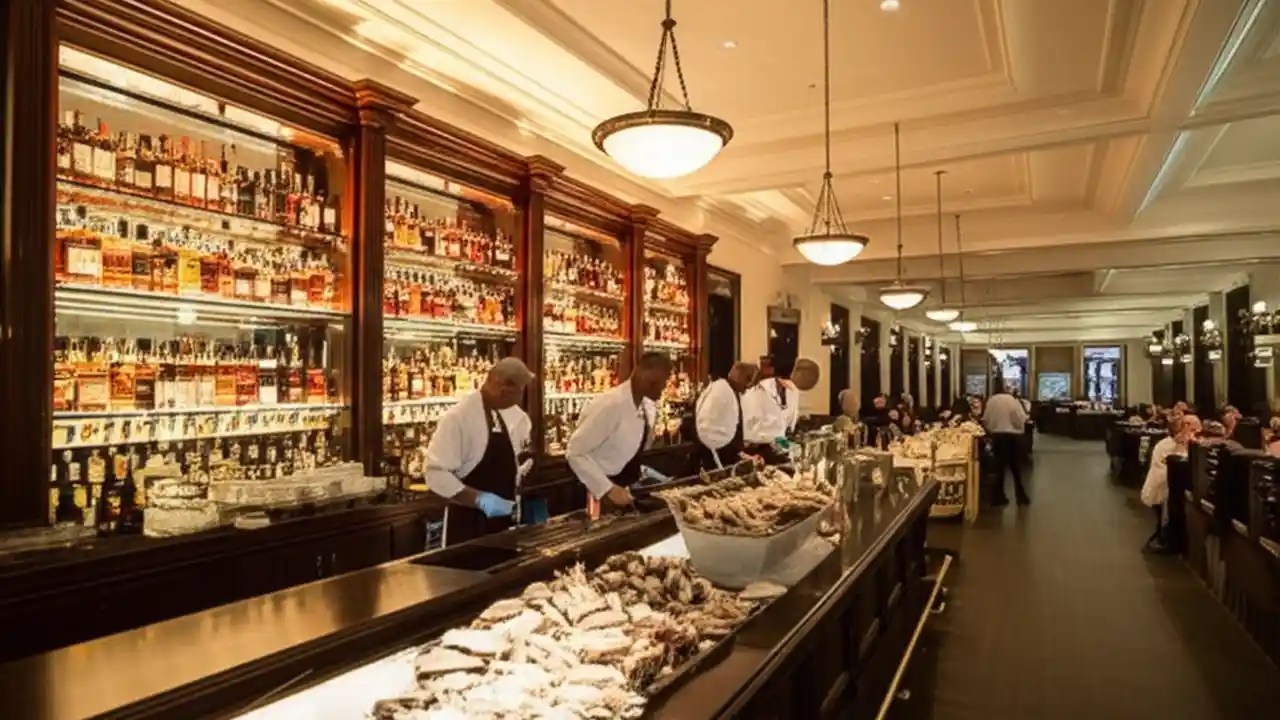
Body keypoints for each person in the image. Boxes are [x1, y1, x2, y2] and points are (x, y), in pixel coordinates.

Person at [424, 357, 534, 546]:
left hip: (502, 521)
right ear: (505, 388)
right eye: (520, 390)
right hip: (469, 524)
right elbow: (435, 473)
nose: (521, 397)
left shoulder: (505, 414)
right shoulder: (459, 417)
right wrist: (483, 501)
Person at [567, 352, 671, 510]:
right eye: (662, 380)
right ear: (643, 374)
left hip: (625, 489)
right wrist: (607, 489)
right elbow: (575, 452)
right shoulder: (610, 405)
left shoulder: (647, 407)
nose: (665, 386)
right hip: (594, 491)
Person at [1140, 414, 1201, 552]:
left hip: (1164, 486)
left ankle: (1163, 537)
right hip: (1162, 488)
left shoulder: (1174, 442)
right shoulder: (1169, 445)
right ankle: (1166, 540)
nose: (1197, 432)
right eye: (1194, 429)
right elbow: (1178, 466)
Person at [694, 361, 758, 471]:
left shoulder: (718, 387)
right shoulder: (725, 394)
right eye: (748, 381)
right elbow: (722, 437)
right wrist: (742, 456)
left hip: (713, 452)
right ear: (741, 377)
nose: (747, 388)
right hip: (718, 457)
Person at [742, 355, 799, 463]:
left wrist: (788, 445)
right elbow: (751, 429)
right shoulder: (756, 392)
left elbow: (786, 425)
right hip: (757, 447)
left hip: (778, 443)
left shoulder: (792, 390)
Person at [982, 384, 1030, 506]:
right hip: (1011, 436)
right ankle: (1020, 495)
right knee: (1014, 467)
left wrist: (992, 429)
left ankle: (998, 496)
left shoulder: (991, 401)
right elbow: (1020, 418)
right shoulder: (1012, 401)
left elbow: (985, 419)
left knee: (999, 467)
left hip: (997, 436)